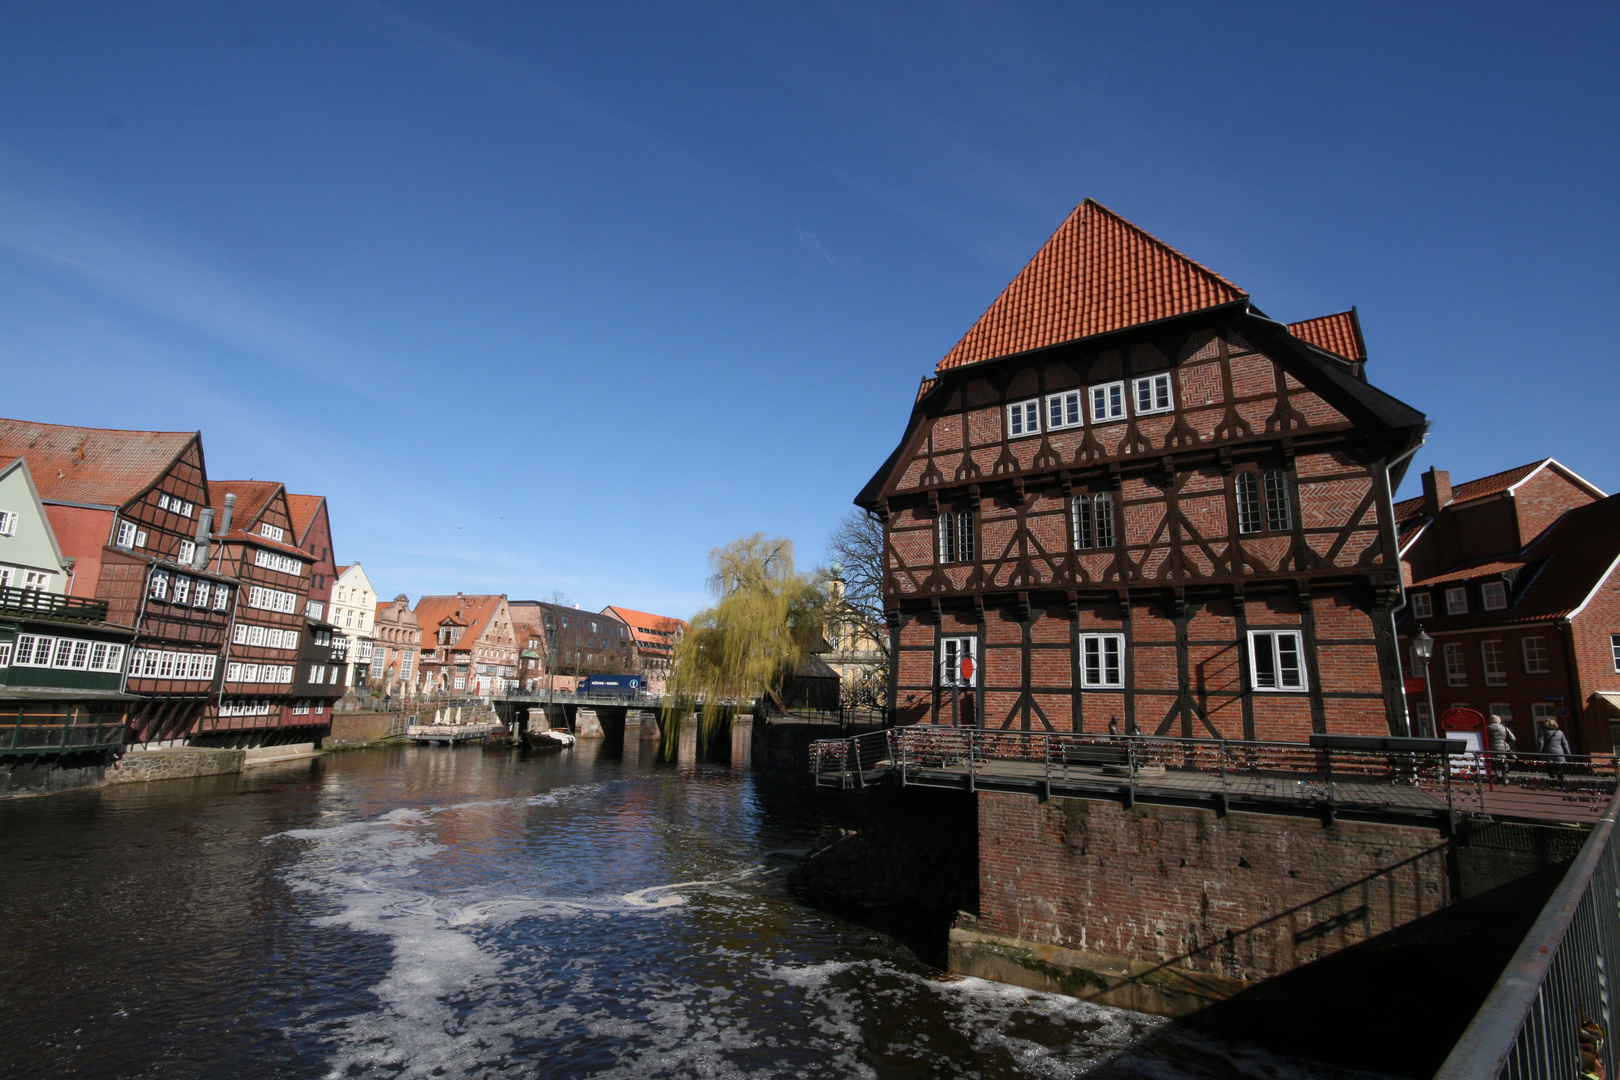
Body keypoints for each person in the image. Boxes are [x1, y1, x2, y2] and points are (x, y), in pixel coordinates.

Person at [1538, 717, 1571, 784]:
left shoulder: (1542, 732)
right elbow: (1565, 744)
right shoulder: (1560, 732)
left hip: (1548, 753)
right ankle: (1561, 782)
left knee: (1550, 768)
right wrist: (1568, 753)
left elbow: (1540, 743)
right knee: (1560, 768)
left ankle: (1553, 782)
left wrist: (1539, 752)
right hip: (1559, 753)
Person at [1486, 714, 1516, 782]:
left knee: (1495, 763)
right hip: (1503, 747)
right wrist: (1505, 741)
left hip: (1492, 747)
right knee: (1504, 763)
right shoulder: (1504, 728)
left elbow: (1486, 738)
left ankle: (1498, 777)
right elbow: (1513, 738)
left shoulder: (1488, 728)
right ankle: (1506, 779)